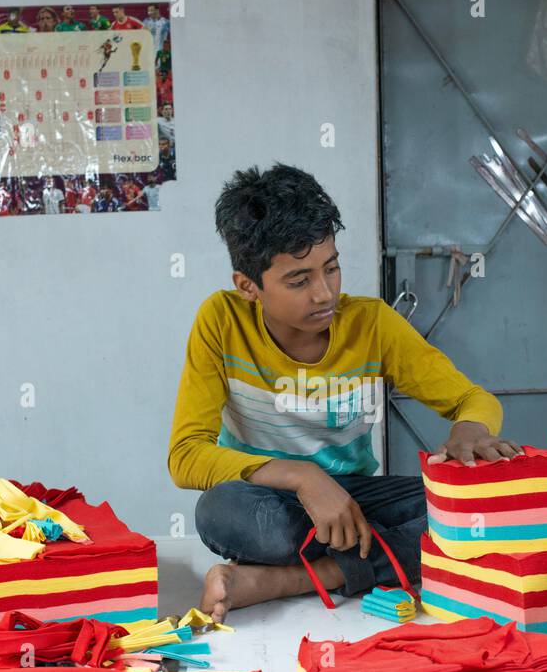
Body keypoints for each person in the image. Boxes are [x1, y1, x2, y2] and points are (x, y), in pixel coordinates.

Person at [168, 164, 517, 622]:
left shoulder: (371, 325)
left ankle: (284, 579)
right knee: (218, 512)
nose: (324, 293)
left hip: (355, 500)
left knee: (482, 508)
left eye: (331, 269)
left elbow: (473, 399)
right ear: (248, 286)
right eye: (299, 280)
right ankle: (375, 560)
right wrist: (302, 478)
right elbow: (186, 456)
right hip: (268, 502)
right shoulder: (221, 321)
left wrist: (470, 427)